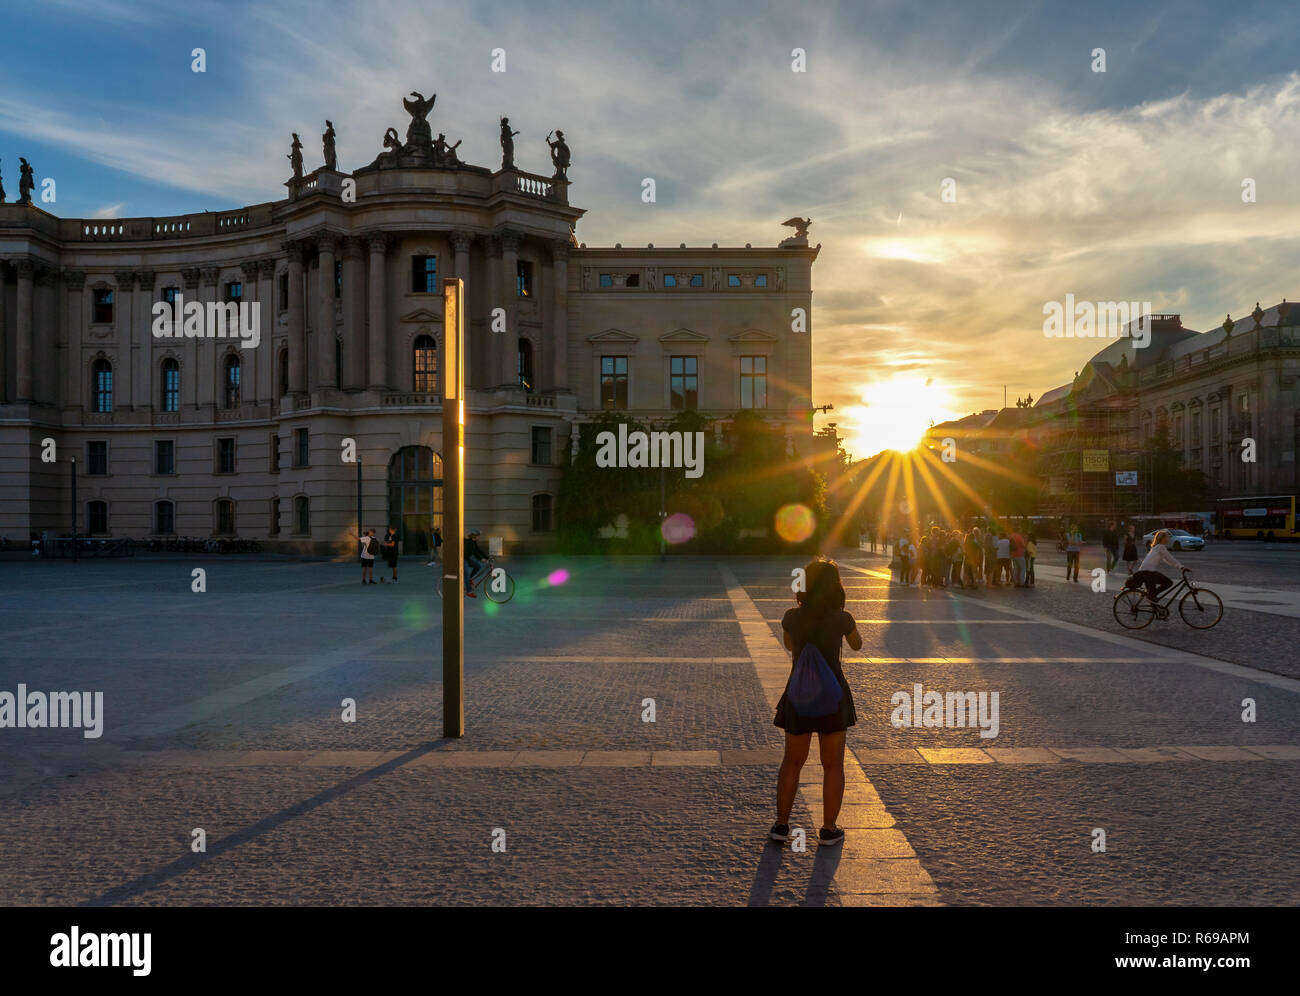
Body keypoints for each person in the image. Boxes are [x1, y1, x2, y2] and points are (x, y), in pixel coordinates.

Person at [771, 557, 863, 849]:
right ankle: (828, 830)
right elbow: (857, 644)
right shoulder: (842, 618)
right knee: (832, 765)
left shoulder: (791, 617)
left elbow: (788, 645)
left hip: (799, 696)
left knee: (792, 762)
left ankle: (781, 825)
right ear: (835, 586)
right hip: (832, 697)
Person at [1131, 529, 1186, 600]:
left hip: (1144, 572)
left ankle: (1153, 602)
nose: (1168, 538)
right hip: (1148, 573)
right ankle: (1152, 595)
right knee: (1168, 582)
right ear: (1162, 538)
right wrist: (1181, 567)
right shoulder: (1161, 547)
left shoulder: (1156, 547)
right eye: (1167, 537)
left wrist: (1177, 566)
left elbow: (1167, 560)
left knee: (1152, 594)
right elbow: (1170, 558)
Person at [464, 528, 489, 597]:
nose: (479, 537)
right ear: (474, 536)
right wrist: (481, 558)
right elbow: (474, 552)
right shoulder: (469, 542)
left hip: (467, 559)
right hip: (462, 560)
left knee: (477, 566)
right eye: (478, 535)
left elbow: (478, 550)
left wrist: (487, 557)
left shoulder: (474, 542)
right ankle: (469, 592)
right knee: (466, 575)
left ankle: (470, 579)